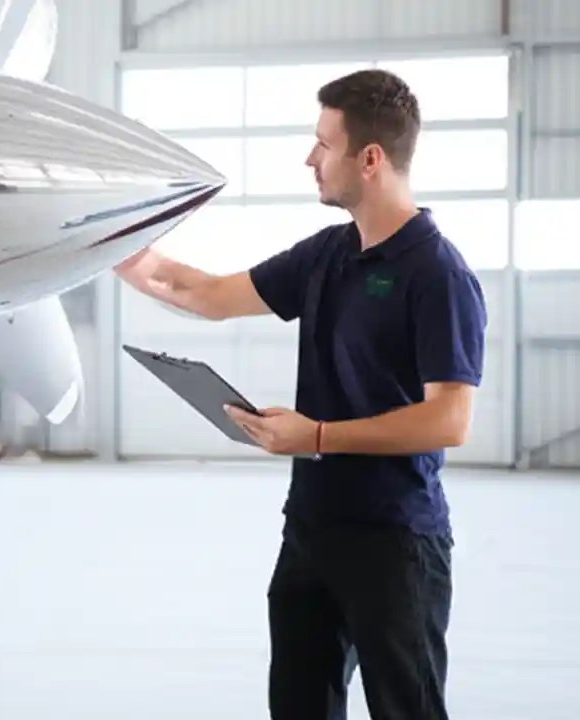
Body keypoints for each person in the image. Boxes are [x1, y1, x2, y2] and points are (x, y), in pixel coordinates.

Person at [115, 68, 486, 720]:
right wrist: (110, 250)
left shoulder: (437, 272)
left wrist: (316, 437)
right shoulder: (328, 254)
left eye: (323, 143)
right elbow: (207, 293)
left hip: (395, 541)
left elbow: (451, 418)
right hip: (312, 529)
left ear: (369, 159)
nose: (309, 157)